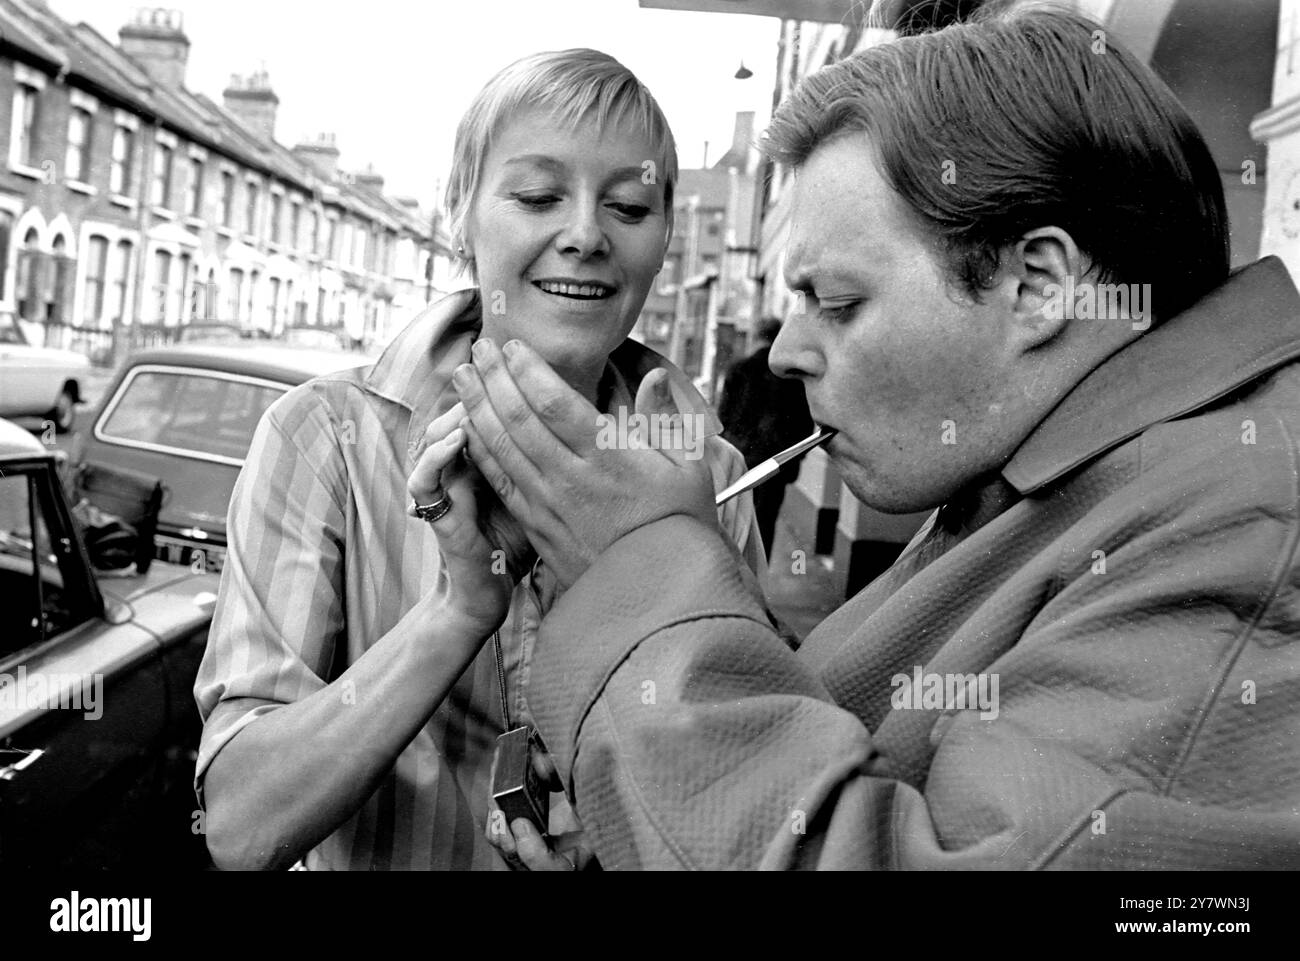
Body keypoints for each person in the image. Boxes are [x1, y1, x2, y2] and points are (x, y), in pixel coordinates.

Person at [465, 7, 1300, 869]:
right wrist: (641, 820)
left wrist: (638, 576)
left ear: (1040, 284)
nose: (785, 354)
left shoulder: (1252, 528)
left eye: (837, 302)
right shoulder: (1044, 469)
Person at [193, 48, 760, 871]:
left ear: (666, 237)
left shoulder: (707, 476)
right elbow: (243, 825)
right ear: (459, 211)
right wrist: (459, 609)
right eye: (537, 196)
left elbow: (748, 802)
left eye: (630, 207)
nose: (585, 235)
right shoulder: (320, 438)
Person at [718, 317, 814, 561]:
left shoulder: (739, 369)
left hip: (741, 460)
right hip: (775, 464)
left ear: (757, 336)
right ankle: (758, 580)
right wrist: (793, 458)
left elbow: (723, 420)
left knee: (734, 523)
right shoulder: (791, 378)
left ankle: (732, 582)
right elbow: (804, 424)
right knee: (765, 524)